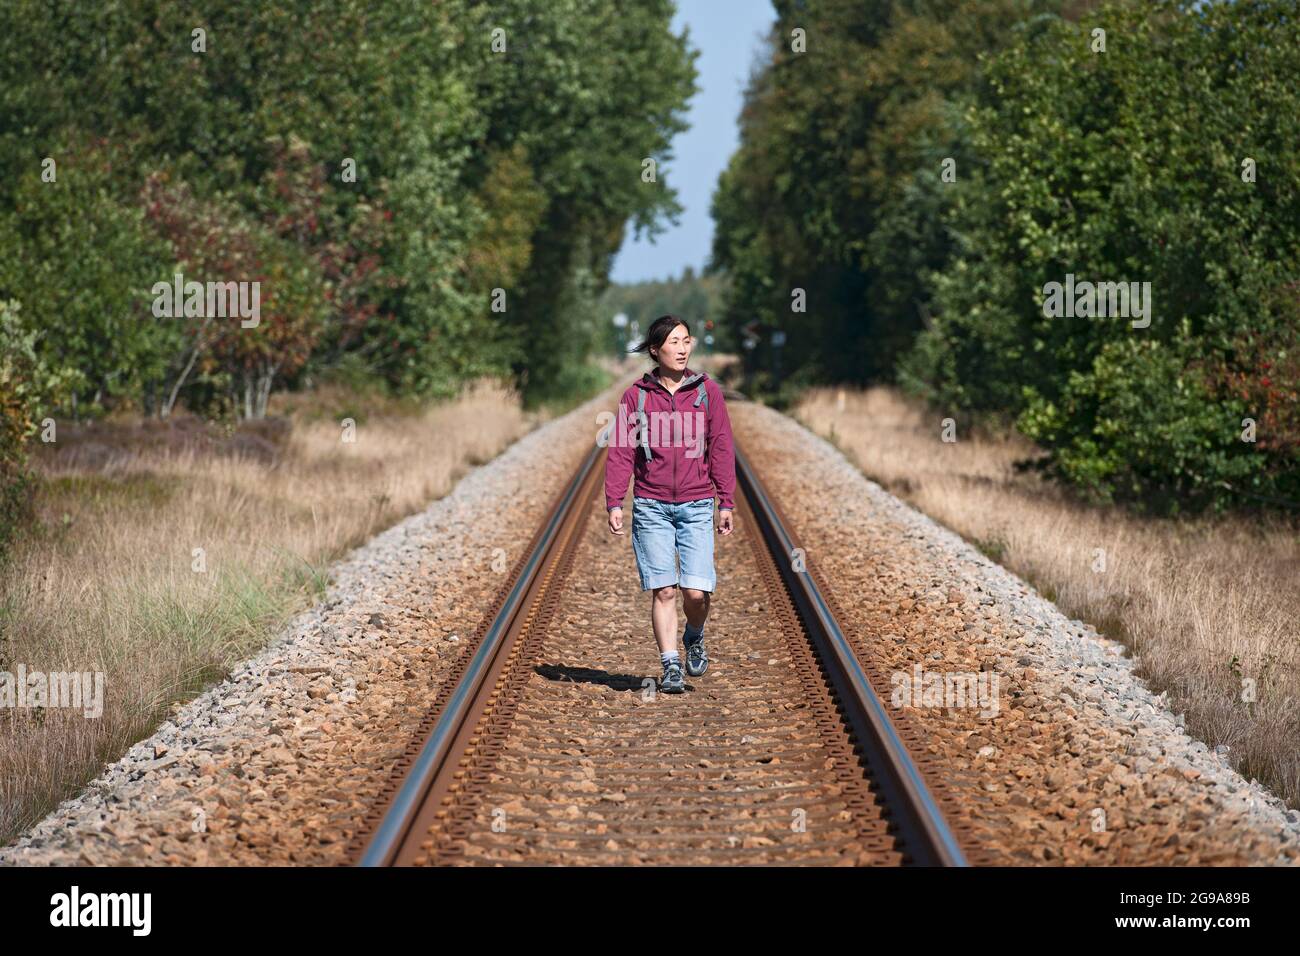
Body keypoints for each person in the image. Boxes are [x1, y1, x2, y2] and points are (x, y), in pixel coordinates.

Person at [604, 314, 736, 693]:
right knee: (664, 589)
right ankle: (670, 665)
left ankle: (694, 635)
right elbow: (621, 450)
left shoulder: (706, 392)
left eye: (686, 341)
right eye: (674, 342)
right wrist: (615, 500)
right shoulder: (637, 396)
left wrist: (725, 500)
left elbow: (722, 446)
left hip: (696, 504)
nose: (682, 348)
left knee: (696, 593)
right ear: (655, 350)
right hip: (650, 505)